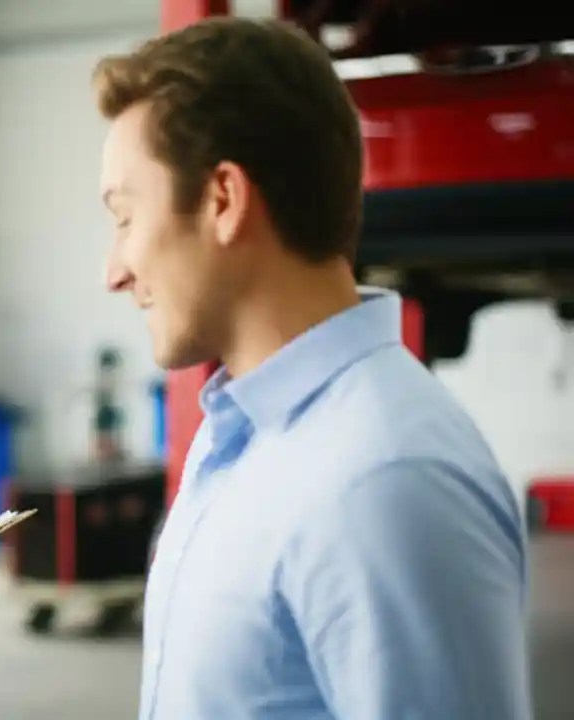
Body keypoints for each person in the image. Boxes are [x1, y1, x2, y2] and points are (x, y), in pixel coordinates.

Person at [93, 18, 529, 720]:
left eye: (124, 217)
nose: (114, 271)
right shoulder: (241, 433)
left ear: (223, 200)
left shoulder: (385, 477)